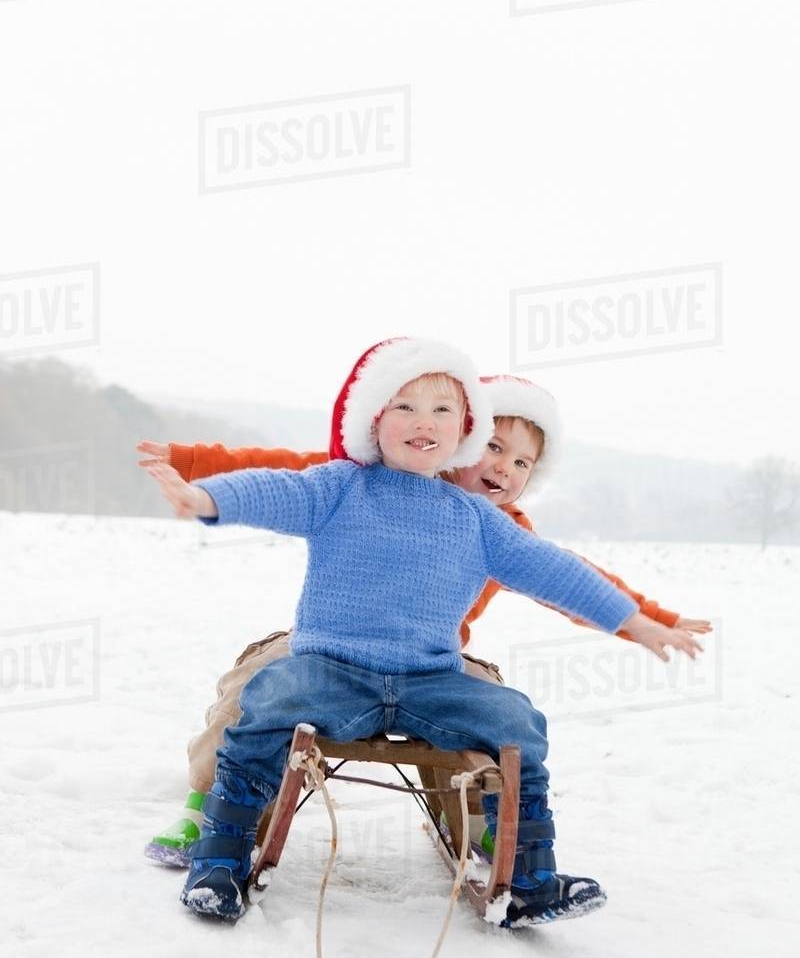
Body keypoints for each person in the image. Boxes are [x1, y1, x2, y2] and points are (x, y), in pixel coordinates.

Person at [147, 338, 703, 927]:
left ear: (461, 429)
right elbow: (275, 486)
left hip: (430, 677)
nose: (425, 423)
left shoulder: (482, 521)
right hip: (333, 666)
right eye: (405, 408)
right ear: (372, 421)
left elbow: (556, 571)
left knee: (515, 717)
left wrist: (636, 620)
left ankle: (529, 879)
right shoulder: (341, 484)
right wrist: (204, 494)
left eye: (442, 412)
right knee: (268, 694)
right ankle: (219, 856)